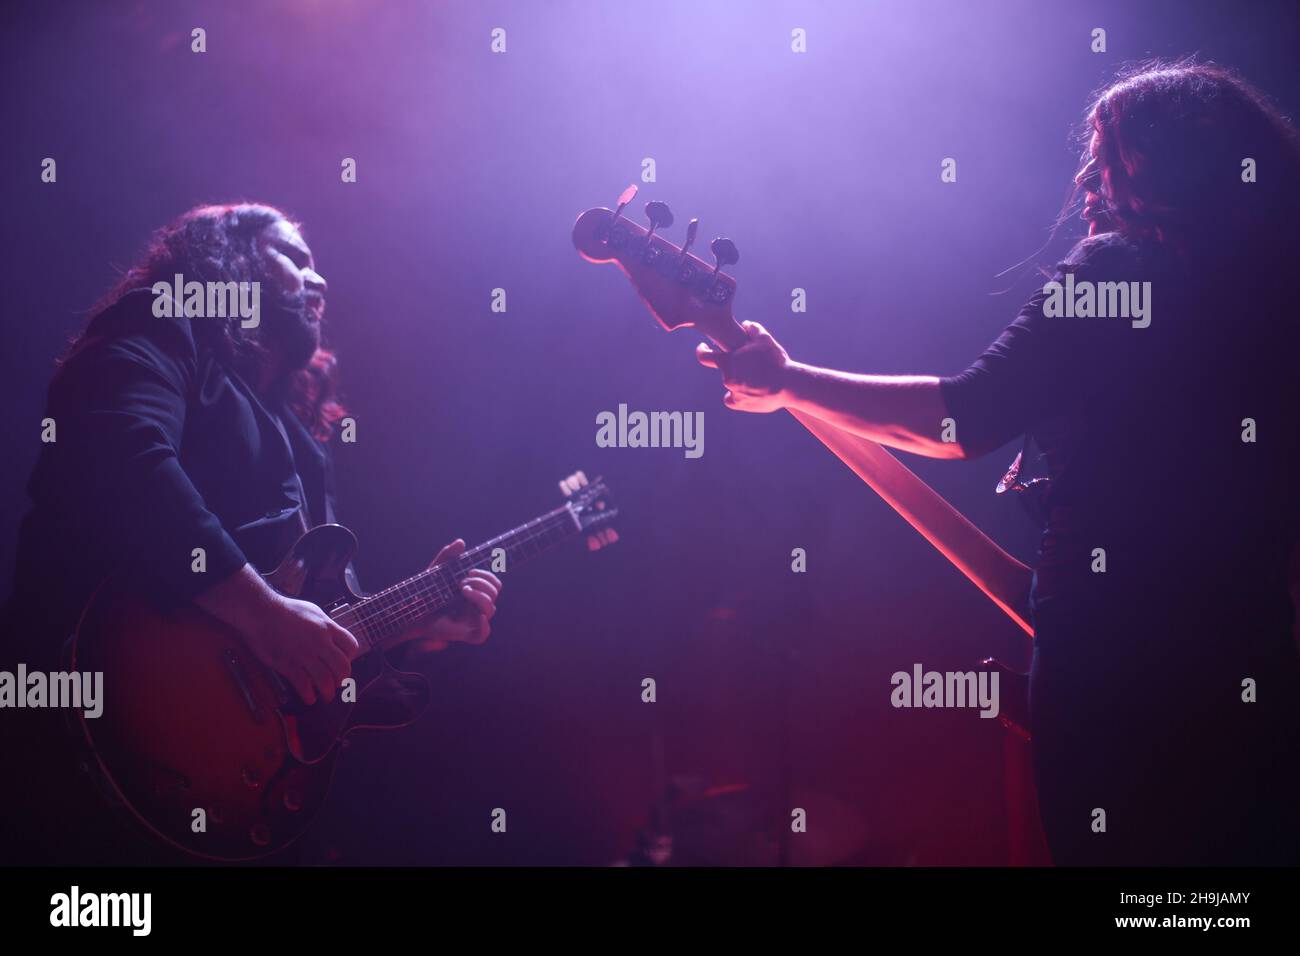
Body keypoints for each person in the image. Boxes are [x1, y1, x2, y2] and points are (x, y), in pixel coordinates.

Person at [696, 61, 1300, 865]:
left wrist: (791, 382)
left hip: (1121, 680)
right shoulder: (1267, 303)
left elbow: (962, 418)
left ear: (1177, 166)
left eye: (1112, 151)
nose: (1086, 176)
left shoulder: (1119, 270)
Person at [0, 203, 502, 864]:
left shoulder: (301, 442)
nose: (317, 281)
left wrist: (419, 625)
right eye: (294, 258)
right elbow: (121, 457)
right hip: (95, 710)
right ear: (229, 262)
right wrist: (262, 615)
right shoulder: (163, 318)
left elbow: (308, 620)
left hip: (232, 782)